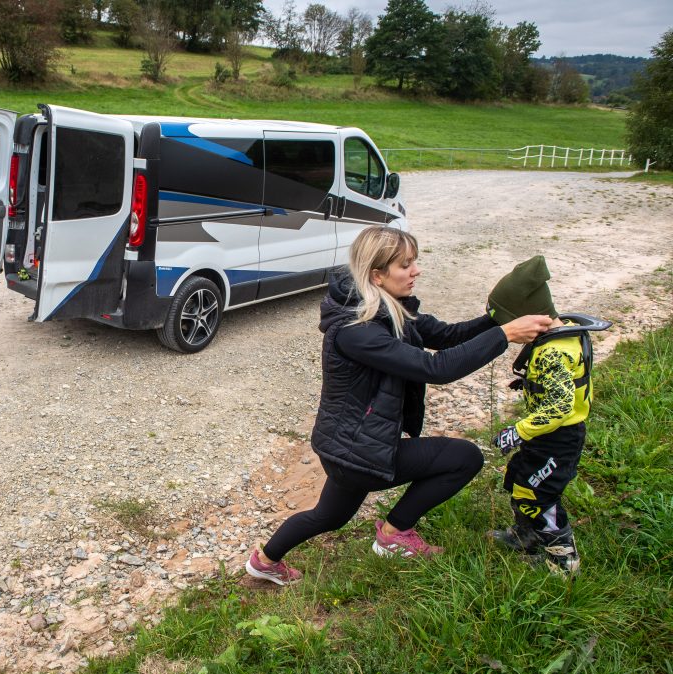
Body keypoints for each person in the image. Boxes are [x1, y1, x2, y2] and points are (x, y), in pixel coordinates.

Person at [244, 226, 553, 586]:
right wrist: (506, 335)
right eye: (405, 265)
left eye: (414, 262)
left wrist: (496, 318)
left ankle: (264, 563)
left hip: (347, 446)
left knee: (327, 516)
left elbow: (447, 337)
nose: (416, 271)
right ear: (377, 275)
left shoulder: (388, 309)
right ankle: (394, 534)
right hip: (358, 451)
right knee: (464, 457)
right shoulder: (355, 330)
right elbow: (435, 368)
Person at [487, 256, 606, 575]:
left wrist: (518, 431)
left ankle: (563, 559)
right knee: (519, 480)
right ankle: (526, 536)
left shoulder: (552, 352)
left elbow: (559, 407)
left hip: (558, 438)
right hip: (549, 436)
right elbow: (564, 381)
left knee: (538, 494)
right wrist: (529, 382)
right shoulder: (564, 333)